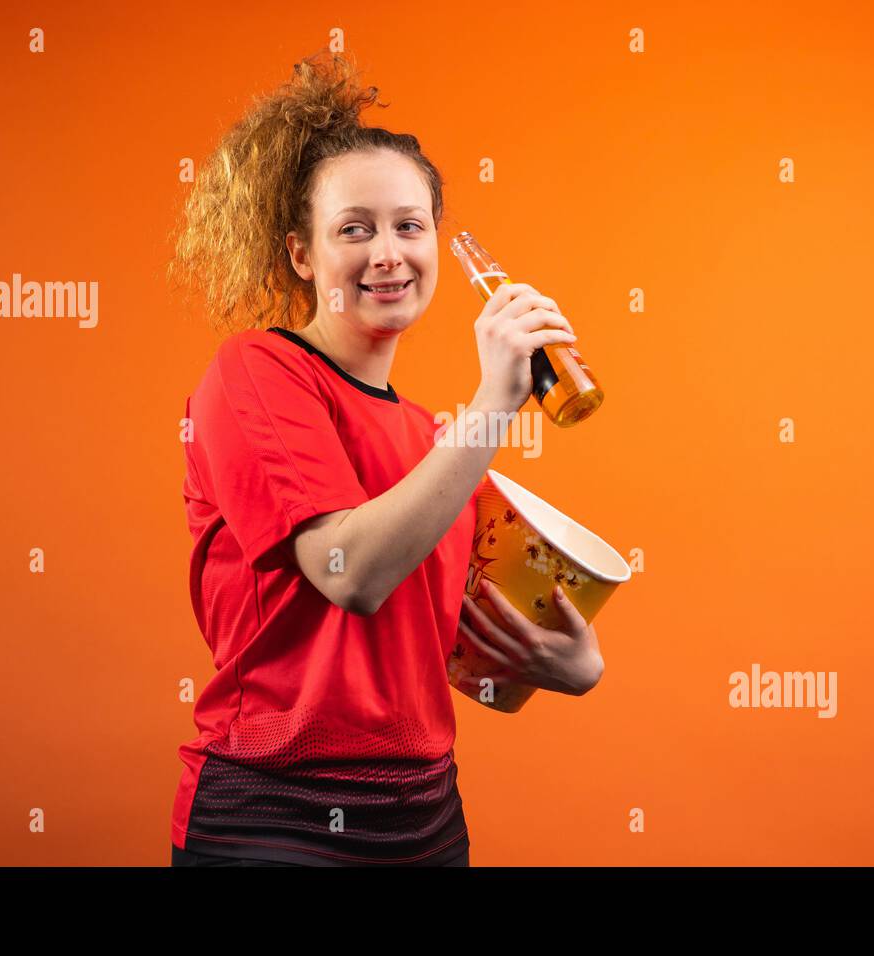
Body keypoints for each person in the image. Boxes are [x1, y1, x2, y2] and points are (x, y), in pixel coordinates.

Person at [164, 50, 605, 867]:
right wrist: (495, 404)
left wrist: (569, 666)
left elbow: (444, 661)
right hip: (274, 818)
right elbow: (350, 573)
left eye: (409, 225)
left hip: (427, 821)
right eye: (353, 229)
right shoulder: (256, 373)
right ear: (302, 255)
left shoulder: (432, 439)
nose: (388, 253)